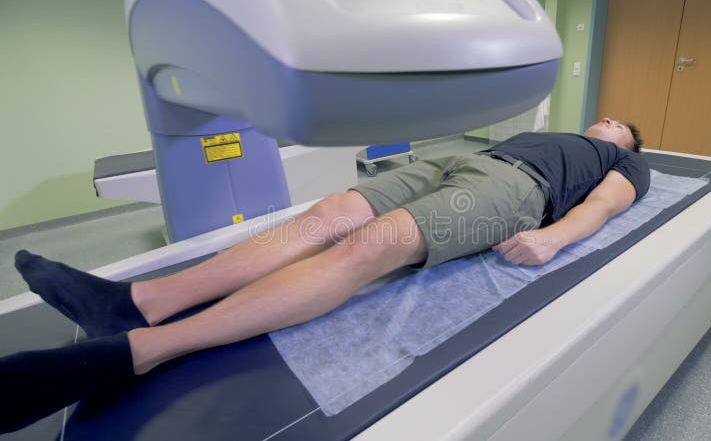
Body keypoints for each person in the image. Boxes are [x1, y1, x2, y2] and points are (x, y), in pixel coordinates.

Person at [0, 118, 648, 433]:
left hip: (518, 189)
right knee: (332, 210)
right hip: (463, 160)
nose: (605, 121)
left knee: (368, 246)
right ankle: (138, 300)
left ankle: (143, 349)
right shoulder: (550, 130)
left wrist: (553, 238)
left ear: (625, 141)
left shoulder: (622, 163)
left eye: (618, 124)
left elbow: (601, 207)